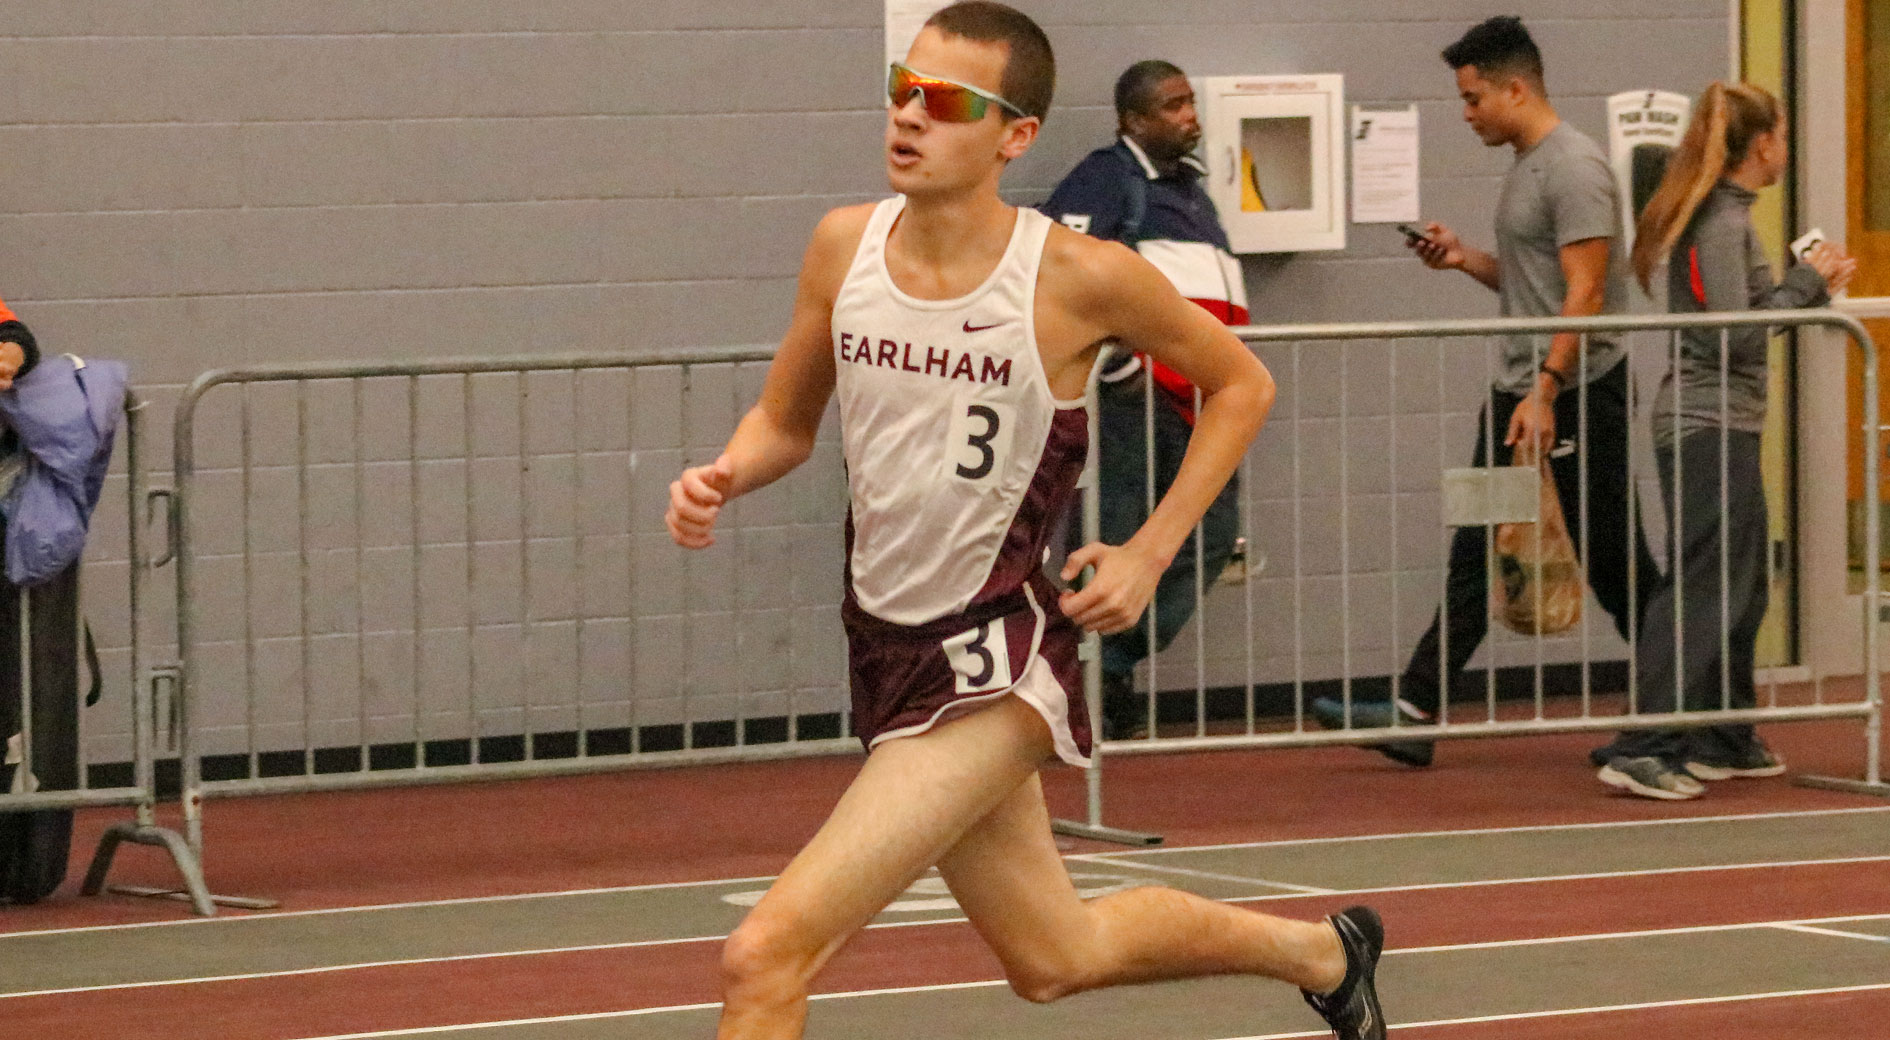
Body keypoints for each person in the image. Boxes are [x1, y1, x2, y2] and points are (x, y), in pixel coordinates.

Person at [665, 5, 1386, 1038]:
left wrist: (1149, 551)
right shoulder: (843, 247)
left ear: (1017, 135)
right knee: (1057, 956)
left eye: (947, 101)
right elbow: (784, 421)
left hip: (991, 663)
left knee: (764, 953)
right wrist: (725, 474)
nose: (911, 115)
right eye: (903, 89)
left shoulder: (1075, 277)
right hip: (883, 646)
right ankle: (1326, 953)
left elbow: (1243, 384)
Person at [1311, 15, 1659, 767]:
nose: (1466, 114)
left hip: (1573, 395)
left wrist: (1548, 390)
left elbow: (1587, 292)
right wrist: (1463, 258)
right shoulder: (1530, 166)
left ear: (1516, 89)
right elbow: (1536, 287)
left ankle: (1694, 706)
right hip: (1520, 395)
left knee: (1614, 559)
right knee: (1475, 546)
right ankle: (1415, 708)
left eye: (1473, 99)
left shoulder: (1575, 169)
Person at [1589, 83, 1856, 800]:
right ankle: (1645, 744)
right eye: (1783, 135)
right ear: (1762, 143)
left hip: (1727, 424)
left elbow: (1744, 312)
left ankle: (1720, 731)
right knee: (1703, 585)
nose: (1786, 148)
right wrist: (1806, 284)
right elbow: (1734, 334)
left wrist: (1806, 287)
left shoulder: (1729, 218)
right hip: (1705, 426)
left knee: (1742, 583)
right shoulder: (1718, 223)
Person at [1039, 59, 1245, 739]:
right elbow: (1055, 273)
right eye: (1172, 106)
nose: (1190, 116)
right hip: (1140, 401)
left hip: (1204, 401)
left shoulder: (1189, 187)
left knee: (1210, 536)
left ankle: (1108, 664)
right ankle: (1078, 682)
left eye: (1191, 103)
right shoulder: (1107, 181)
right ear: (1133, 120)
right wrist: (1123, 369)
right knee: (1113, 537)